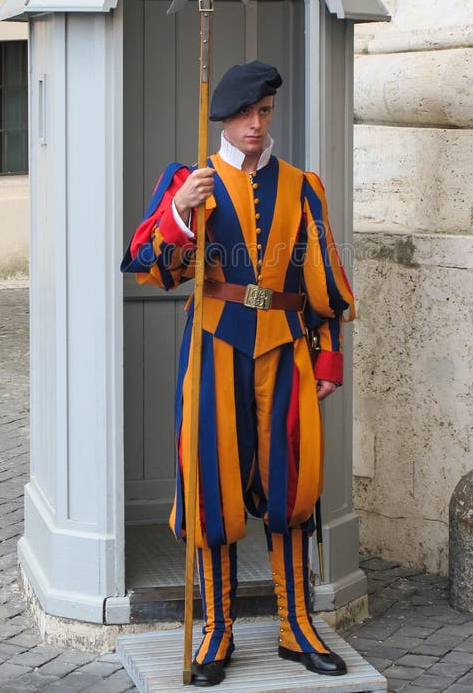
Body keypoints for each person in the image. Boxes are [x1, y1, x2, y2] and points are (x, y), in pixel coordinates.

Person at [121, 60, 355, 687]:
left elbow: (324, 285)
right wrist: (178, 213)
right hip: (214, 345)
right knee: (214, 488)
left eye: (265, 112)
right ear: (223, 116)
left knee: (294, 484)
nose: (256, 125)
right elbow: (154, 266)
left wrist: (327, 356)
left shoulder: (304, 186)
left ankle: (295, 624)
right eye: (246, 114)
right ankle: (218, 628)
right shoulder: (188, 181)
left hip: (285, 346)